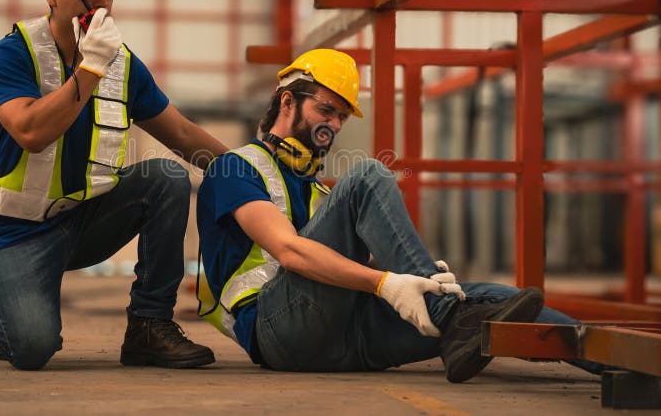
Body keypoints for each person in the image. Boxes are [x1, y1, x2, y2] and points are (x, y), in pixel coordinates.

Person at [196, 48, 598, 382]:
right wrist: (386, 283)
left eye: (341, 117)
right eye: (326, 110)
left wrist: (418, 279)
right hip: (278, 331)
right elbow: (290, 253)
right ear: (288, 100)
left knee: (496, 299)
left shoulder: (314, 189)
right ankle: (448, 317)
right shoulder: (236, 168)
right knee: (369, 174)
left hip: (345, 336)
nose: (333, 125)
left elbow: (336, 267)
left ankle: (617, 359)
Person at [0, 0, 228, 371]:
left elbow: (184, 137)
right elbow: (31, 133)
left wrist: (253, 173)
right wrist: (90, 67)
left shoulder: (122, 64)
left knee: (165, 178)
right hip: (17, 231)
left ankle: (149, 327)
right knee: (32, 349)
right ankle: (4, 306)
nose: (104, 6)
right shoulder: (10, 56)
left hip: (85, 220)